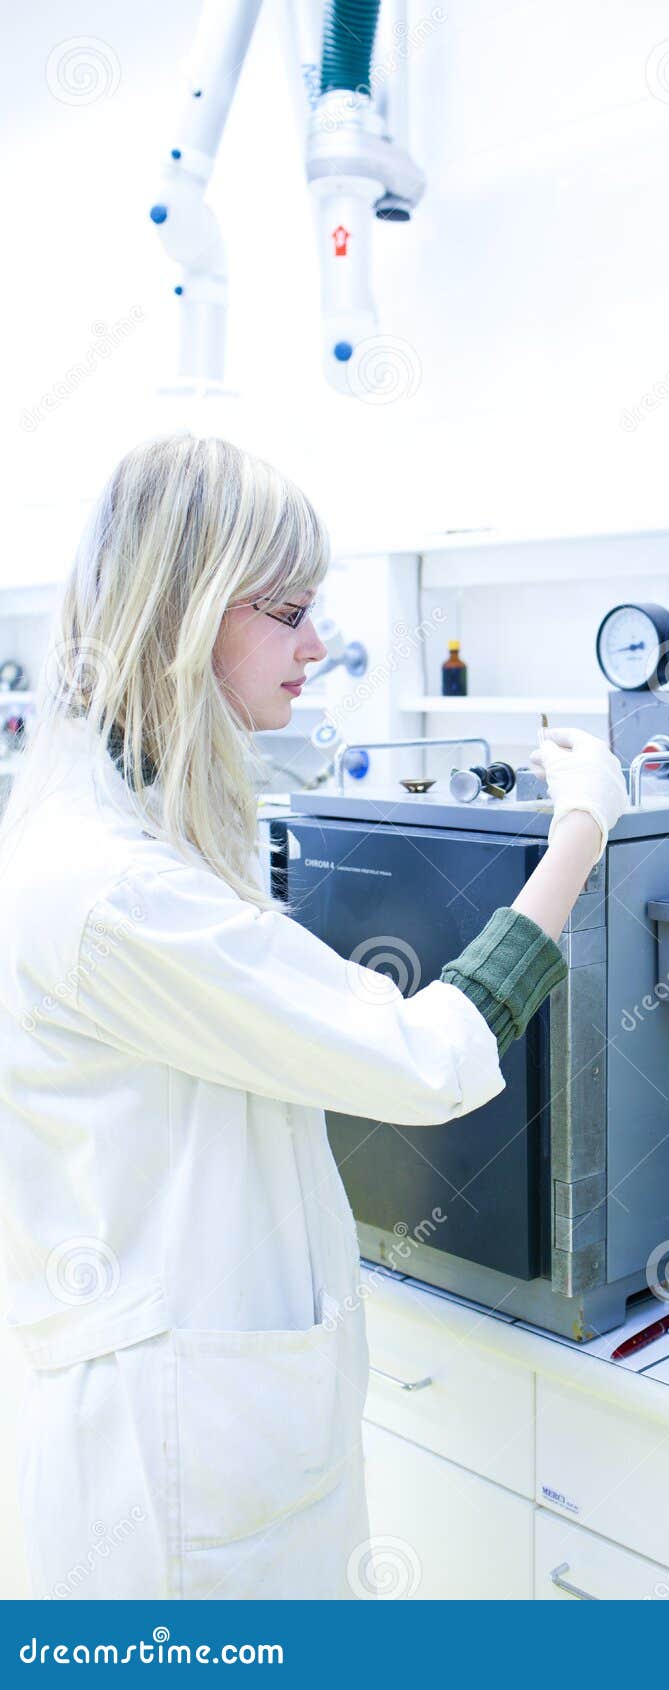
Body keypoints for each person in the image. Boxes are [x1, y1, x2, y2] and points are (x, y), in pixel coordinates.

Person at [0, 433, 628, 1600]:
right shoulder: (117, 888)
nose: (318, 644)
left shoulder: (118, 828)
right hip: (176, 1466)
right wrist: (579, 832)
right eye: (286, 609)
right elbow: (430, 1054)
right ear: (179, 611)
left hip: (199, 1407)